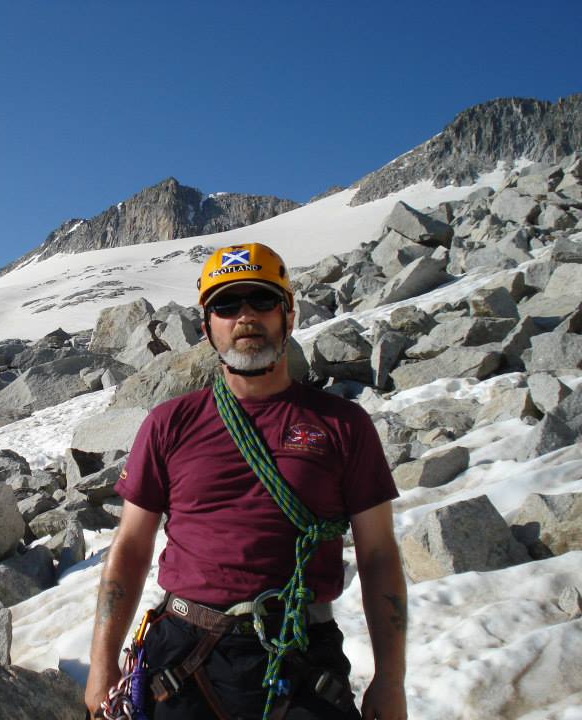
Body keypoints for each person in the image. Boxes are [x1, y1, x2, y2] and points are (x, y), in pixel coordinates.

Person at [85, 243, 407, 720]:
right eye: (227, 305)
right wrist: (100, 664)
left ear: (289, 316)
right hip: (183, 659)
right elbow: (131, 546)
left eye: (262, 301)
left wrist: (390, 680)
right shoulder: (169, 423)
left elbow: (378, 553)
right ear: (206, 326)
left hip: (299, 656)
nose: (246, 317)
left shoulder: (342, 425)